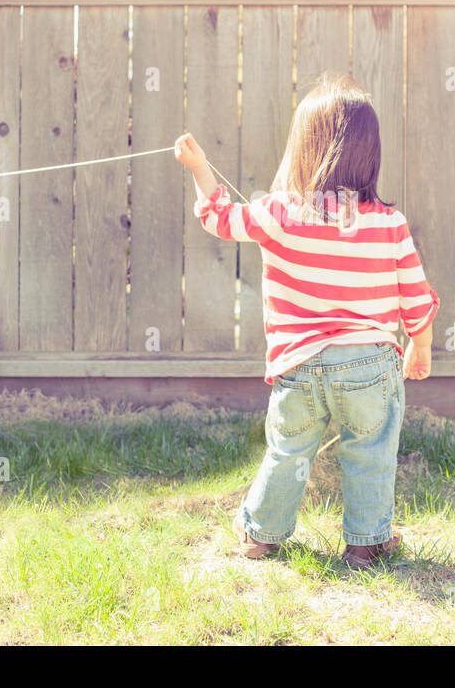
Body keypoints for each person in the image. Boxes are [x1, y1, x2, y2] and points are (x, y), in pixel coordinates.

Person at [173, 70, 438, 569]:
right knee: (371, 453)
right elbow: (416, 300)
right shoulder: (388, 222)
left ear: (303, 148)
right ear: (370, 153)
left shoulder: (278, 213)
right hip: (369, 365)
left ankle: (261, 538)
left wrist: (200, 168)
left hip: (299, 368)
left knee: (288, 452)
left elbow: (218, 217)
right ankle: (366, 543)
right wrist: (420, 350)